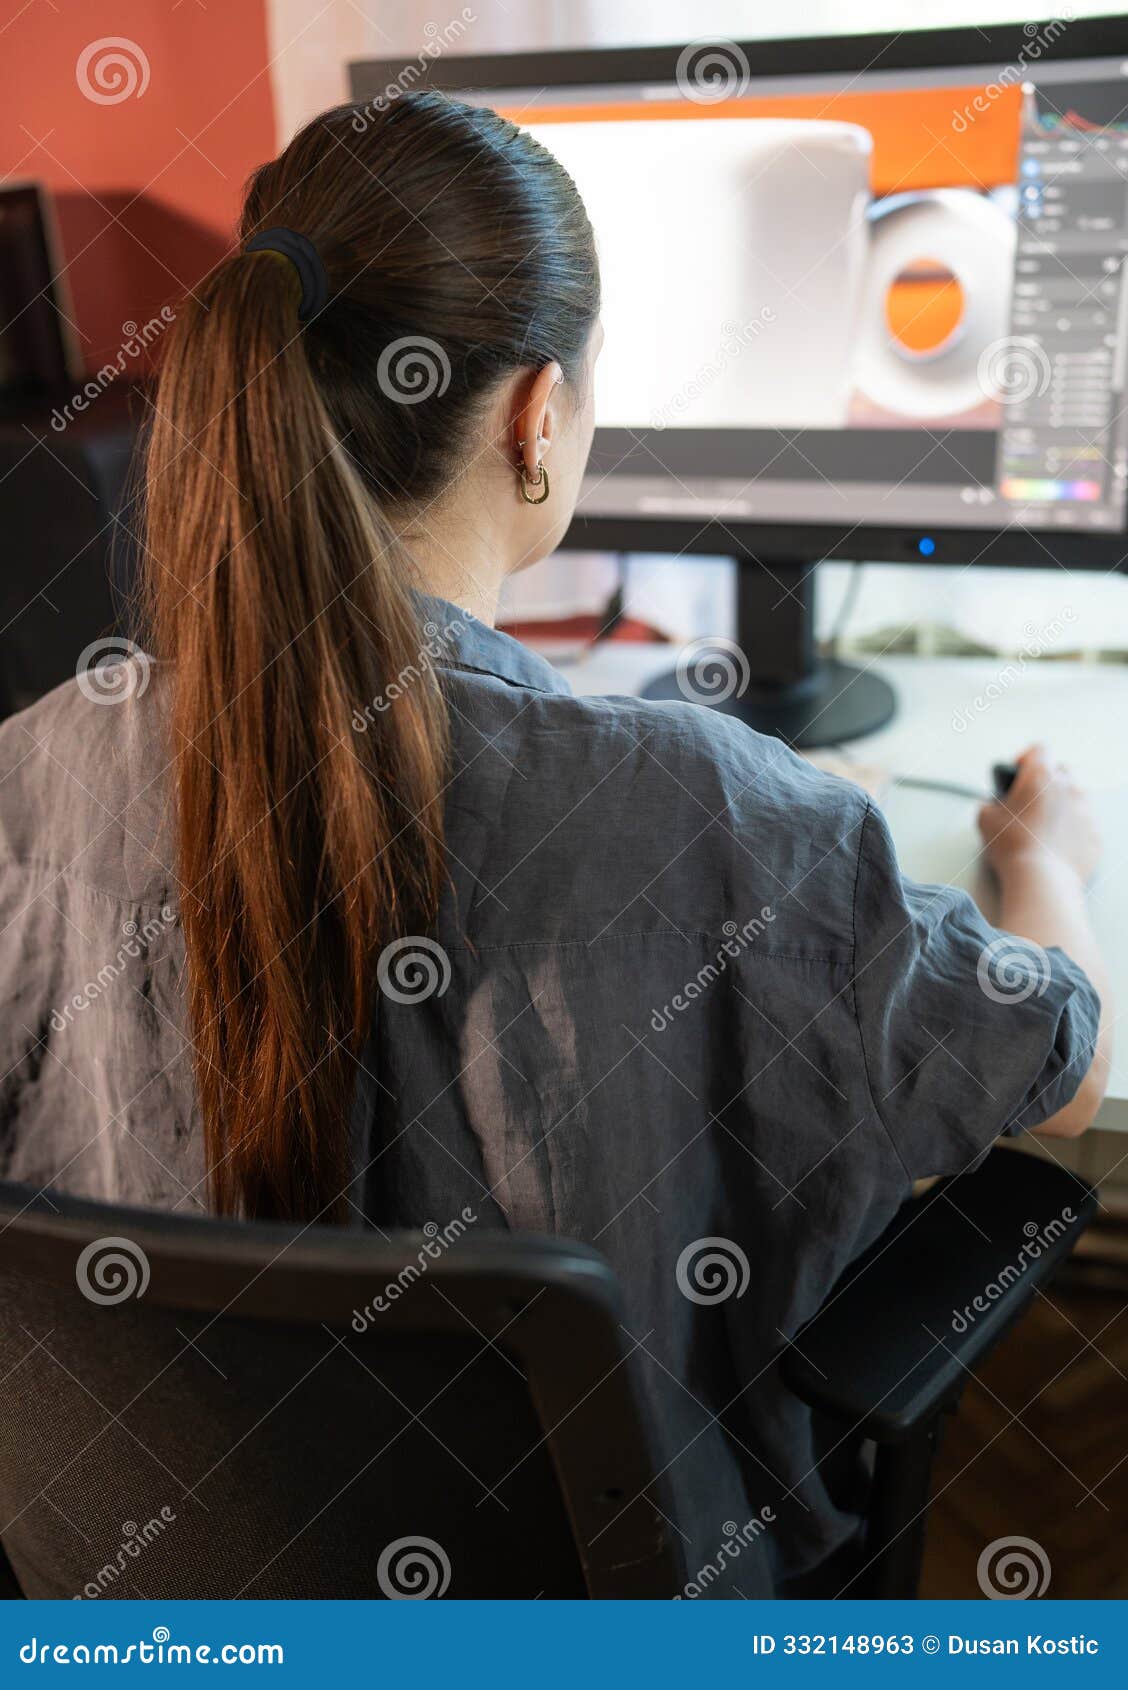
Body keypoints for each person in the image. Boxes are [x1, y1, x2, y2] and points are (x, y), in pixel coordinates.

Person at [0, 92, 1110, 1596]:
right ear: (538, 415)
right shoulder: (709, 812)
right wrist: (1046, 859)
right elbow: (1057, 1068)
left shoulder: (38, 766)